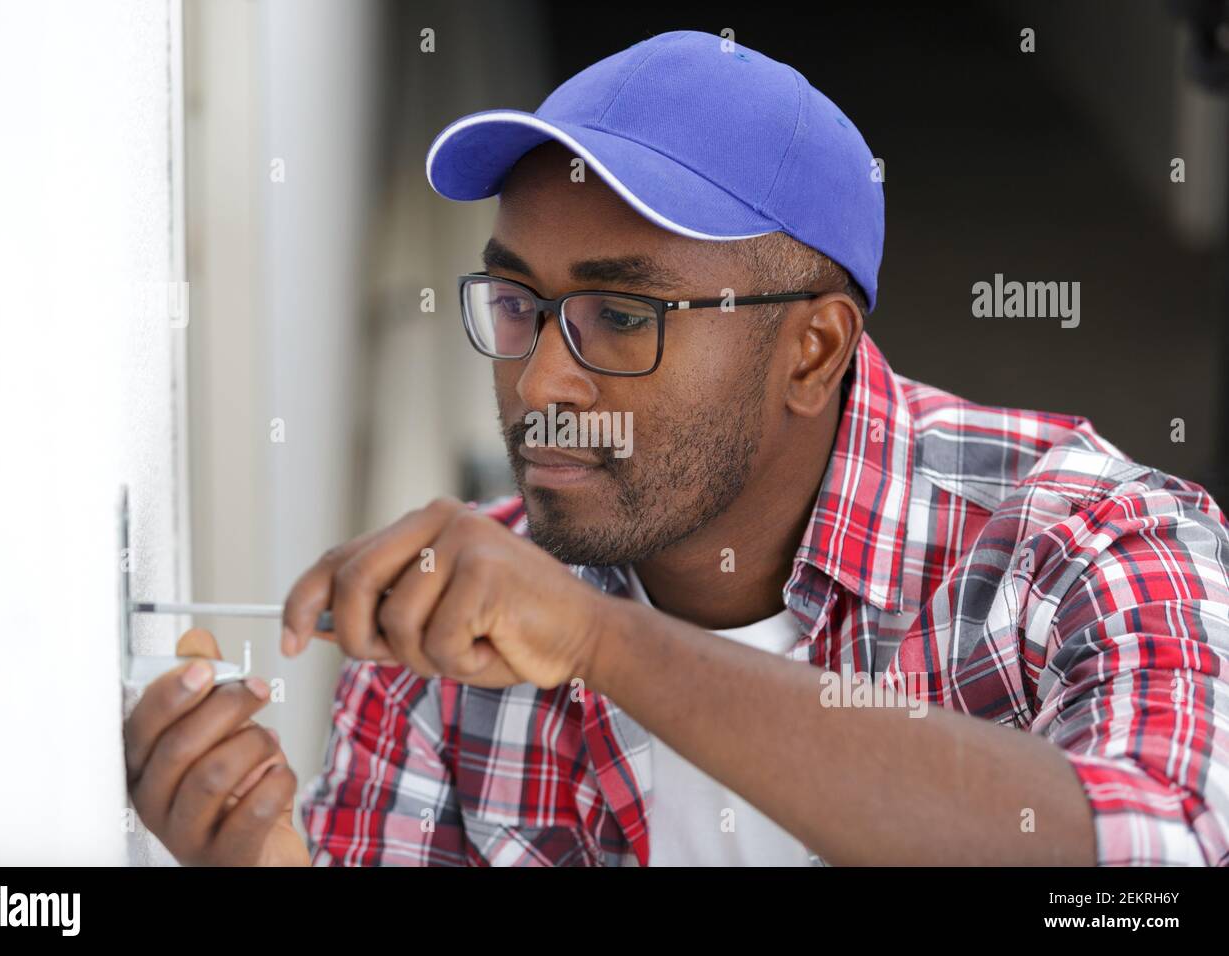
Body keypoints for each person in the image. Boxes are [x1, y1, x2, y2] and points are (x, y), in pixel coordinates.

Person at [124, 30, 1229, 866]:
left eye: (622, 315)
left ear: (810, 349)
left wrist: (604, 643)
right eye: (516, 300)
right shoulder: (444, 643)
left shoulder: (1080, 539)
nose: (542, 381)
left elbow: (1158, 852)